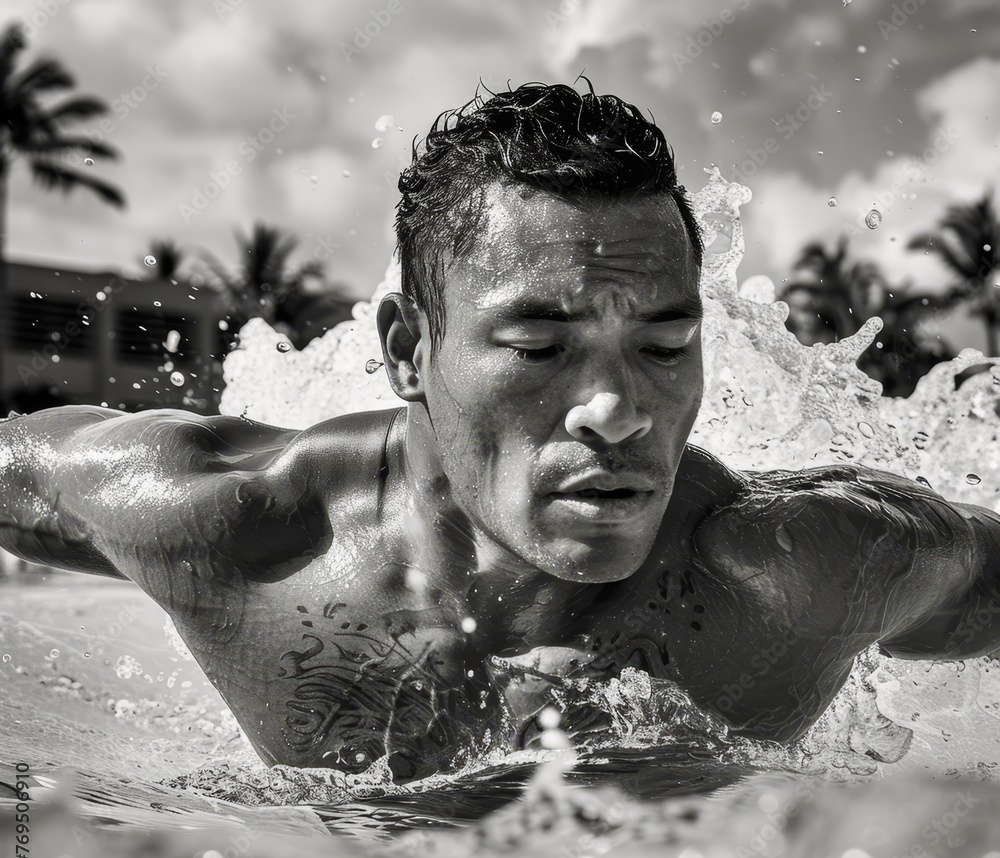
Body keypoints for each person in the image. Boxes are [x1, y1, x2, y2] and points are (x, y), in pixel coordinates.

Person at [2, 82, 999, 783]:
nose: (616, 409)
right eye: (537, 345)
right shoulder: (231, 528)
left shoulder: (800, 568)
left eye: (663, 345)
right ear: (405, 350)